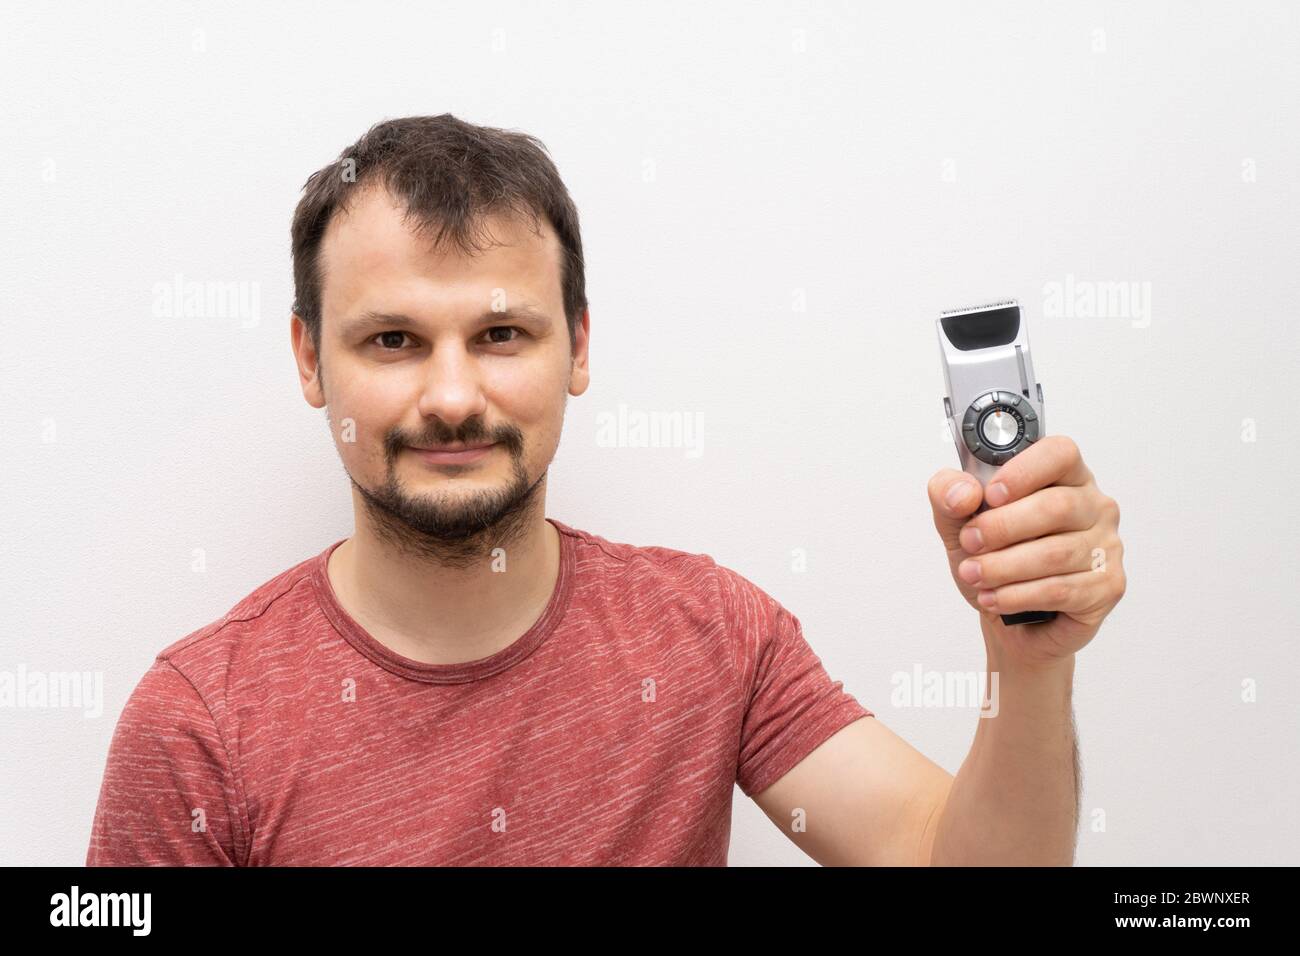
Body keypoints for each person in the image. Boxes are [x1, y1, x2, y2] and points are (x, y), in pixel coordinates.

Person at [86, 114, 1126, 866]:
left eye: (501, 334)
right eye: (393, 340)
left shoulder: (711, 633)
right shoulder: (197, 725)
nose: (453, 396)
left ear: (576, 345)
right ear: (310, 359)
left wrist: (1025, 662)